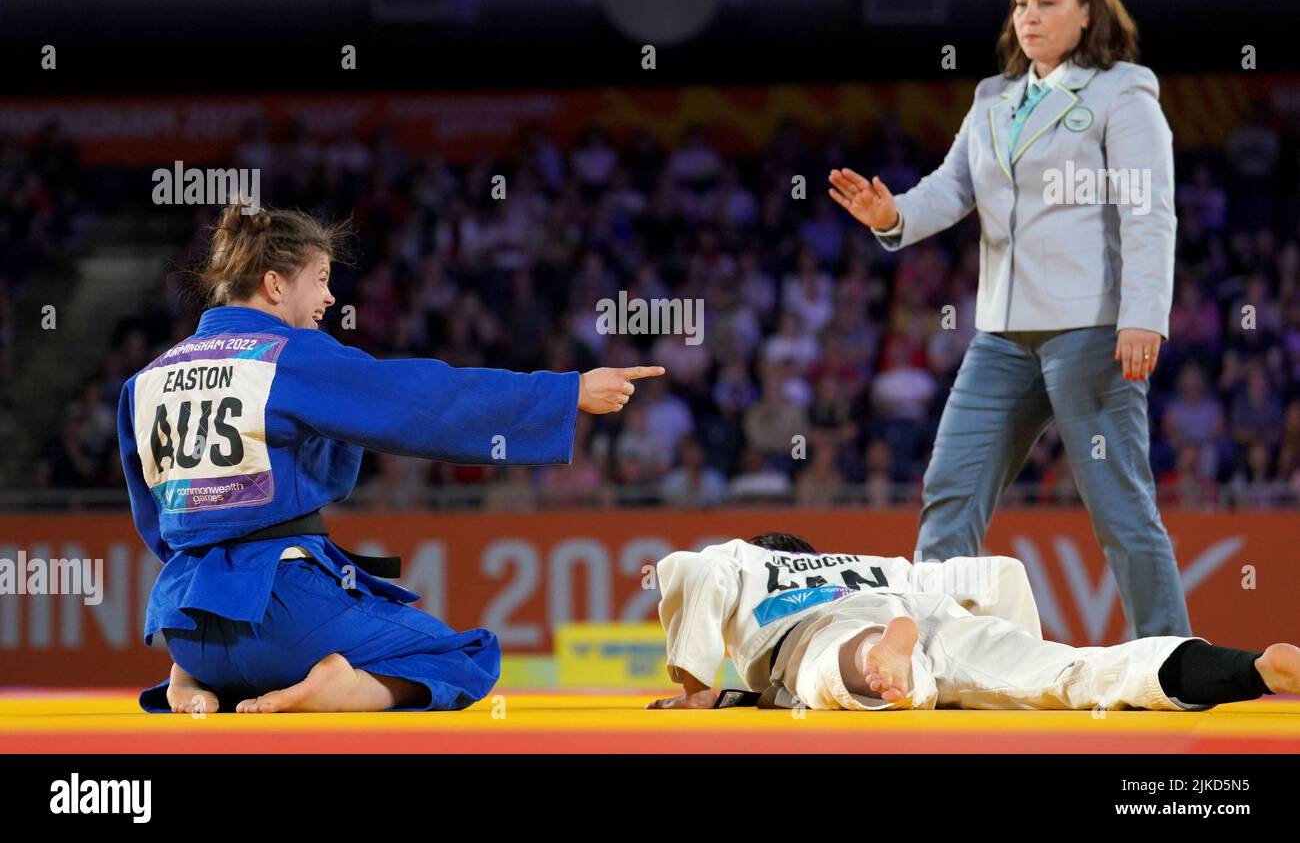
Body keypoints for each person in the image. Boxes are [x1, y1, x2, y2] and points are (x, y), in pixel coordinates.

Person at [119, 203, 664, 713]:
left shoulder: (144, 382)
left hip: (184, 622)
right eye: (322, 279)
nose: (331, 298)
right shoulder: (288, 356)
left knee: (245, 642)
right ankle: (337, 686)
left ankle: (192, 679)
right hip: (282, 616)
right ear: (275, 284)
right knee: (464, 657)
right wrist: (564, 394)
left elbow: (154, 520)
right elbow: (426, 400)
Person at [828, 0, 1187, 637]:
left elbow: (1149, 209)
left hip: (1091, 329)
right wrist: (893, 213)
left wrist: (1144, 314)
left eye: (1048, 1)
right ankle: (937, 650)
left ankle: (1169, 655)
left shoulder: (1124, 91)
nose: (1029, 15)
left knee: (1119, 506)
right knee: (949, 491)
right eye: (1021, 2)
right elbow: (953, 188)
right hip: (1001, 335)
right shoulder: (994, 98)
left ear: (1086, 12)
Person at [648, 533, 1299, 712]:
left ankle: (884, 655)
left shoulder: (744, 563)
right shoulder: (870, 565)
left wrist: (690, 680)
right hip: (931, 614)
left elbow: (687, 570)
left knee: (831, 675)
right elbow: (1001, 575)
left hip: (834, 636)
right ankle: (1254, 668)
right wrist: (1014, 652)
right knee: (1078, 672)